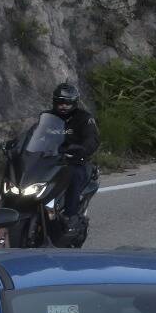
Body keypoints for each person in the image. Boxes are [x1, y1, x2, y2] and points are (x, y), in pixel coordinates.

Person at [49, 82, 100, 235]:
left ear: (74, 103)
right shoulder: (48, 117)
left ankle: (70, 215)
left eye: (67, 103)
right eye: (60, 102)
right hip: (51, 159)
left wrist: (83, 149)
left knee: (73, 175)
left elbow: (92, 139)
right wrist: (16, 145)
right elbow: (33, 134)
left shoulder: (84, 118)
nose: (63, 106)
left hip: (74, 160)